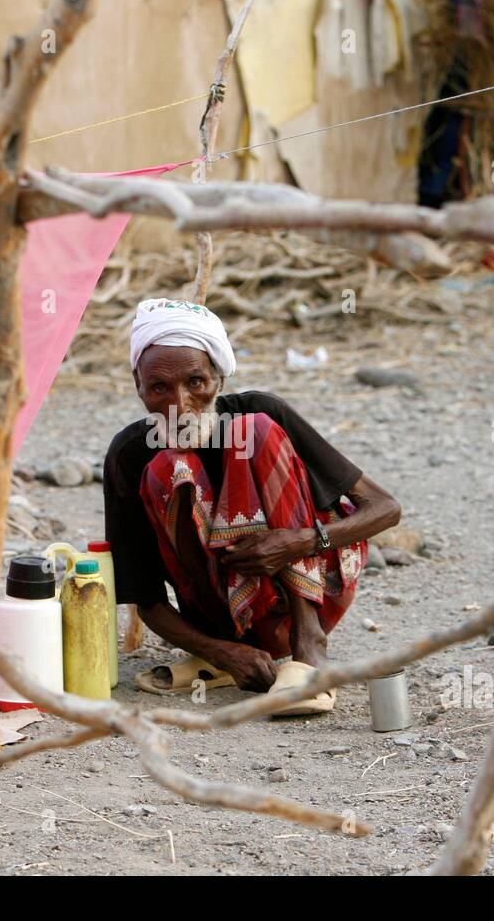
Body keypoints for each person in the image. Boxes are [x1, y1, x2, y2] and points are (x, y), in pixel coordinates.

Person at [102, 298, 401, 715]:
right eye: (159, 388)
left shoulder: (262, 410)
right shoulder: (130, 455)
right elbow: (146, 599)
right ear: (137, 385)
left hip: (306, 595)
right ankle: (229, 651)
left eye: (195, 382)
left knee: (254, 432)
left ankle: (310, 646)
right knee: (168, 467)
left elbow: (384, 508)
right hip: (218, 617)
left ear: (218, 379)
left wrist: (299, 542)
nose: (180, 405)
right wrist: (222, 652)